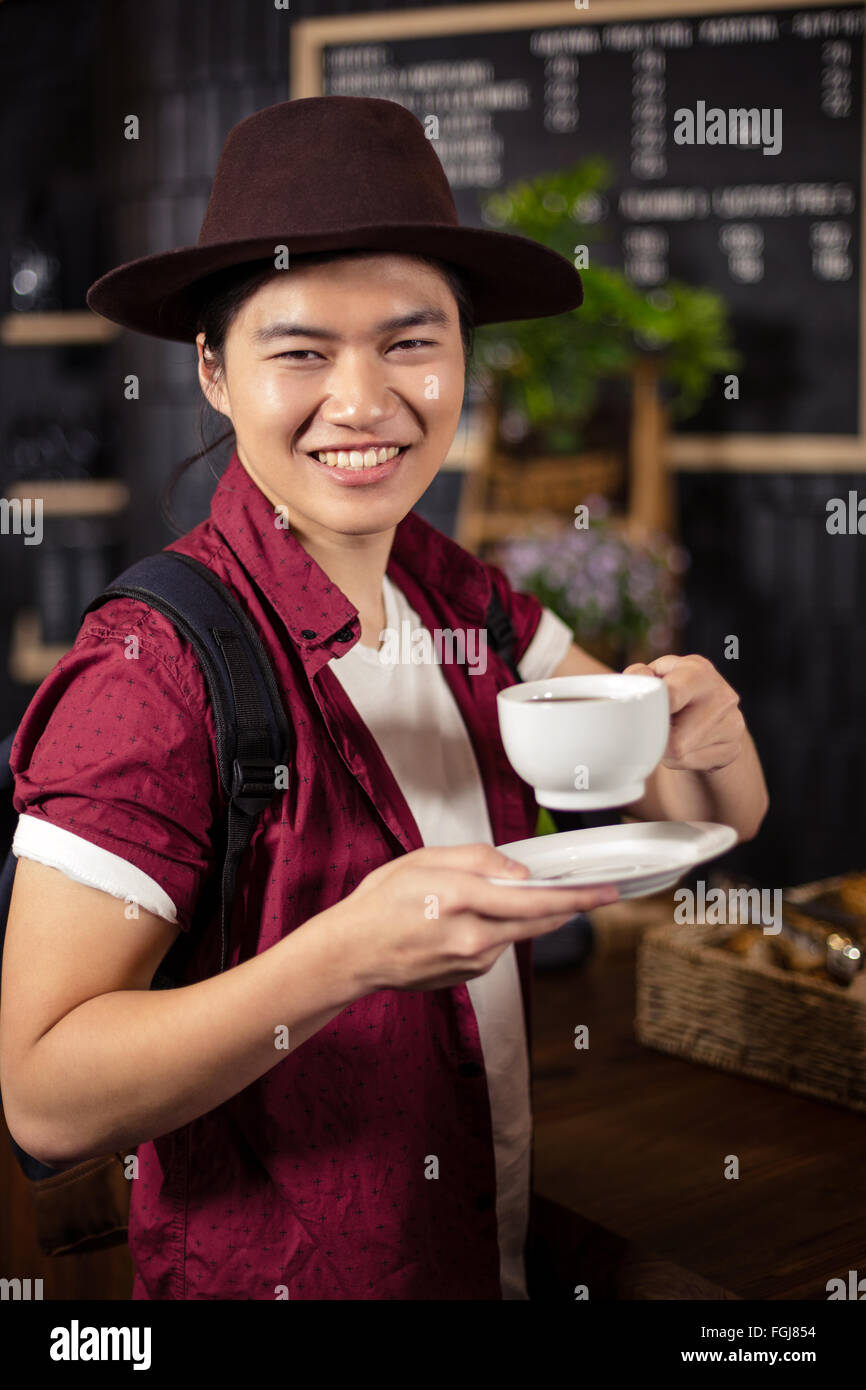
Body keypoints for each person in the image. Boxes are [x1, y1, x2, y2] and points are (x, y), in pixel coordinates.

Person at [0, 98, 769, 1302]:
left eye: (412, 342)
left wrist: (709, 745)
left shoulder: (449, 586)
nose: (362, 402)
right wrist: (343, 956)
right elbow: (43, 1092)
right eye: (299, 351)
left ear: (463, 355)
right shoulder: (147, 668)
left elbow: (678, 814)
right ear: (210, 370)